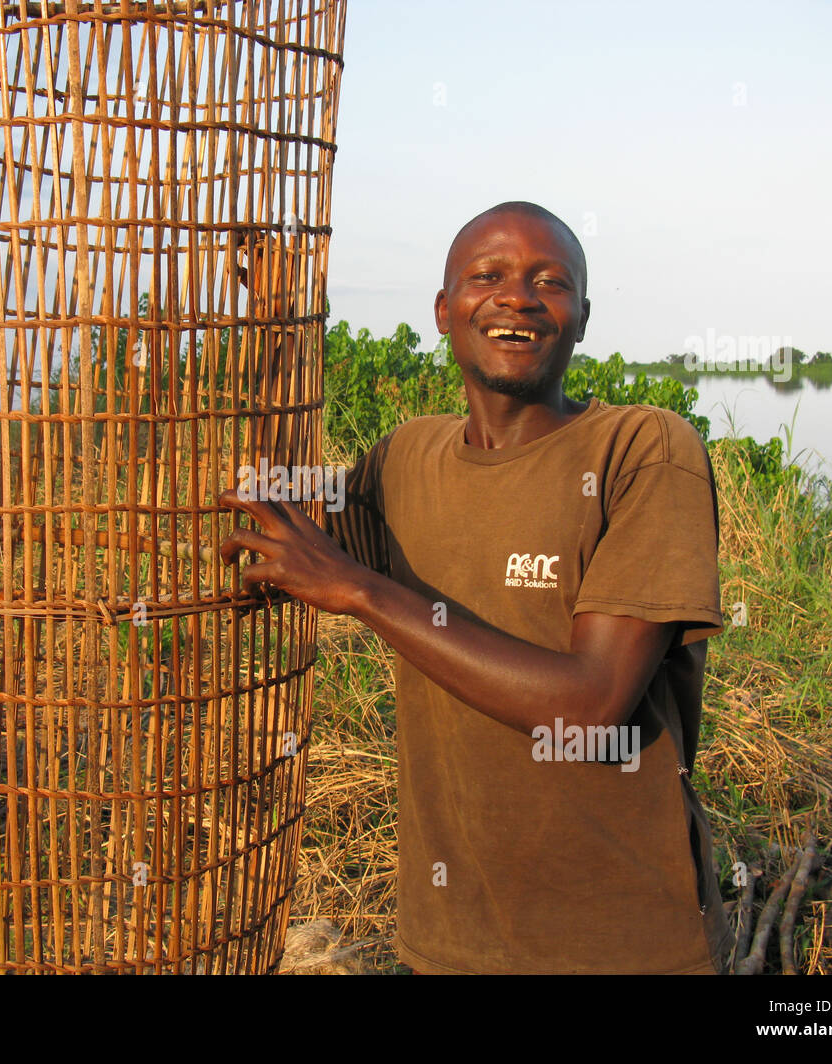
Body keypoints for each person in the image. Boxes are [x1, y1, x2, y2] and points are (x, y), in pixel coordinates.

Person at [219, 202, 734, 975]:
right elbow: (274, 515)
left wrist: (361, 592)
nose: (517, 296)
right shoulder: (407, 459)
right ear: (443, 311)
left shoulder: (644, 450)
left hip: (626, 944)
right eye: (487, 275)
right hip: (452, 943)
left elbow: (591, 705)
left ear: (582, 317)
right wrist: (277, 328)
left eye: (549, 281)